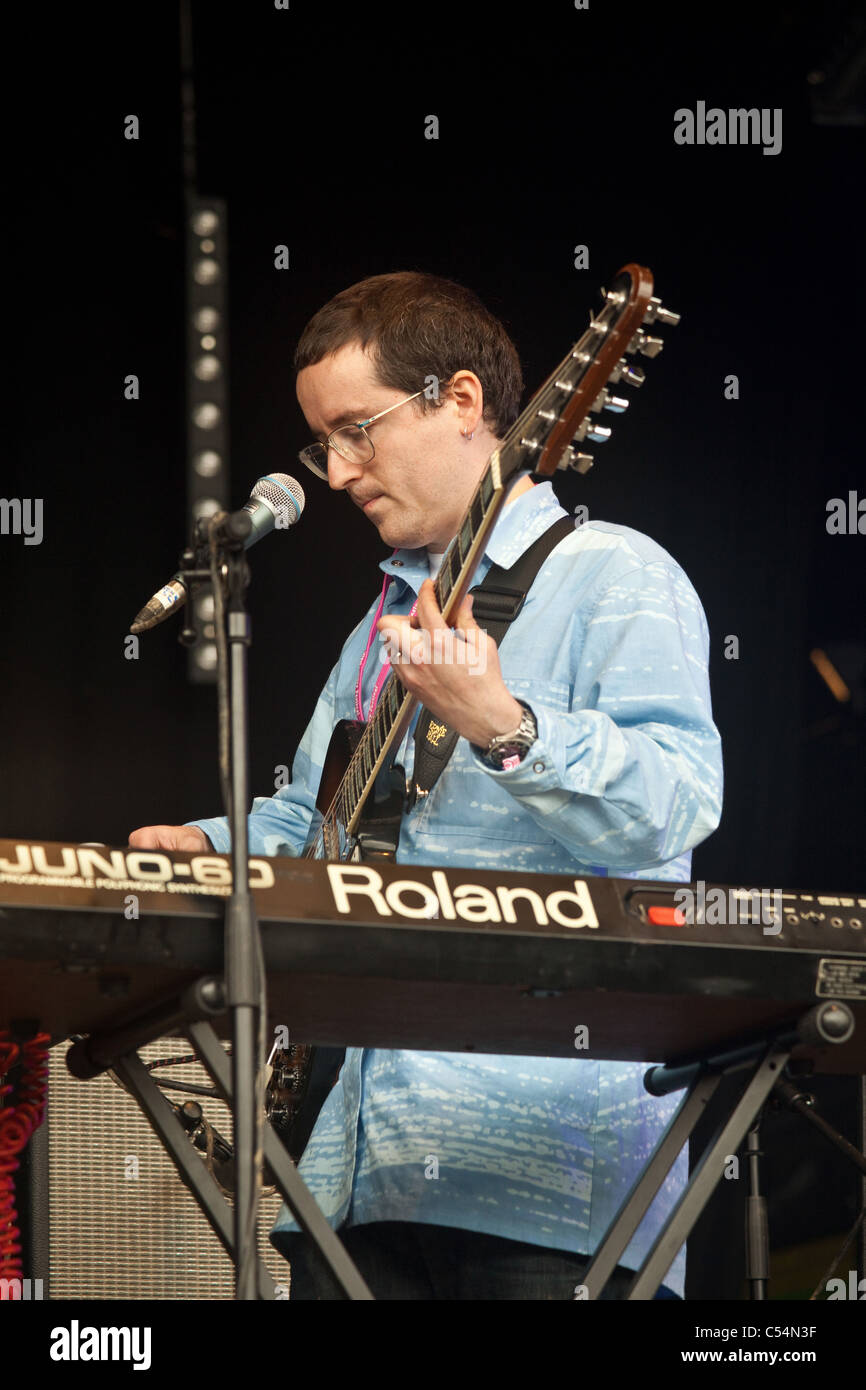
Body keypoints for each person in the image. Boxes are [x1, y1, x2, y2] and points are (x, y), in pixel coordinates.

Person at [130, 271, 723, 1300]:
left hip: (546, 1174)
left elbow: (672, 804)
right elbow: (307, 821)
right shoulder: (377, 628)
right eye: (325, 442)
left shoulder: (615, 574)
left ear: (458, 402)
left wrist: (505, 725)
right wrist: (208, 848)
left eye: (357, 430)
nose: (340, 470)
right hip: (349, 1174)